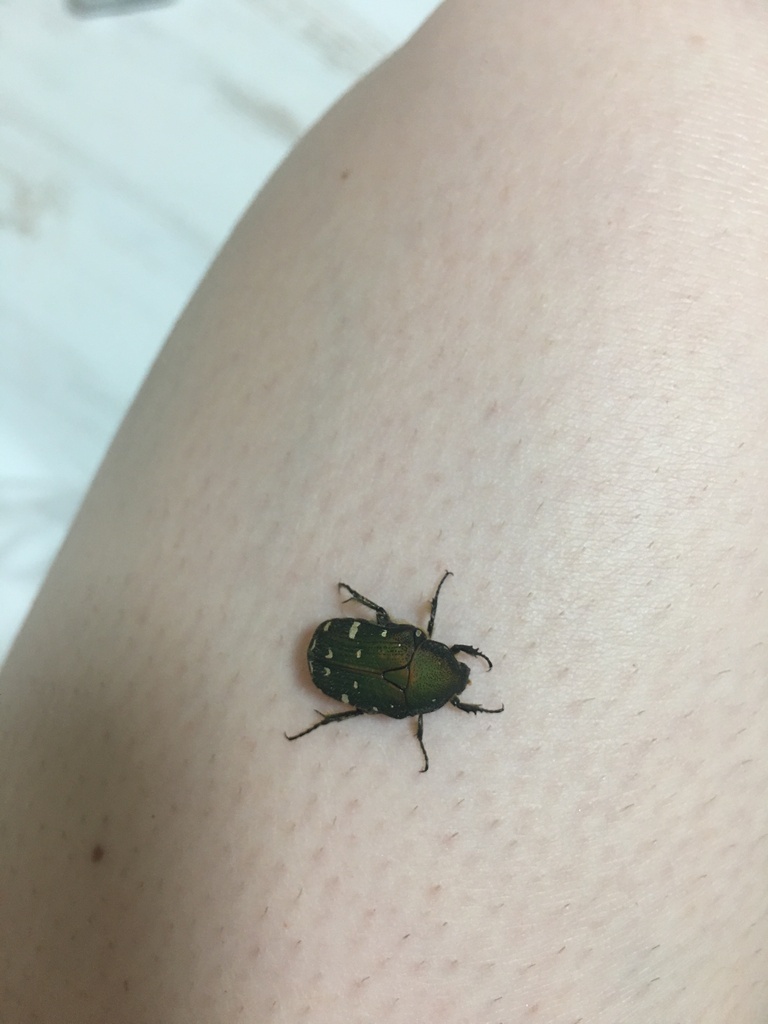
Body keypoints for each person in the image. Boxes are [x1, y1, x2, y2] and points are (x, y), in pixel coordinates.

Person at [2, 1, 767, 1019]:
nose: (440, 671)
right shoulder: (410, 686)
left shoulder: (409, 685)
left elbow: (385, 663)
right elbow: (383, 665)